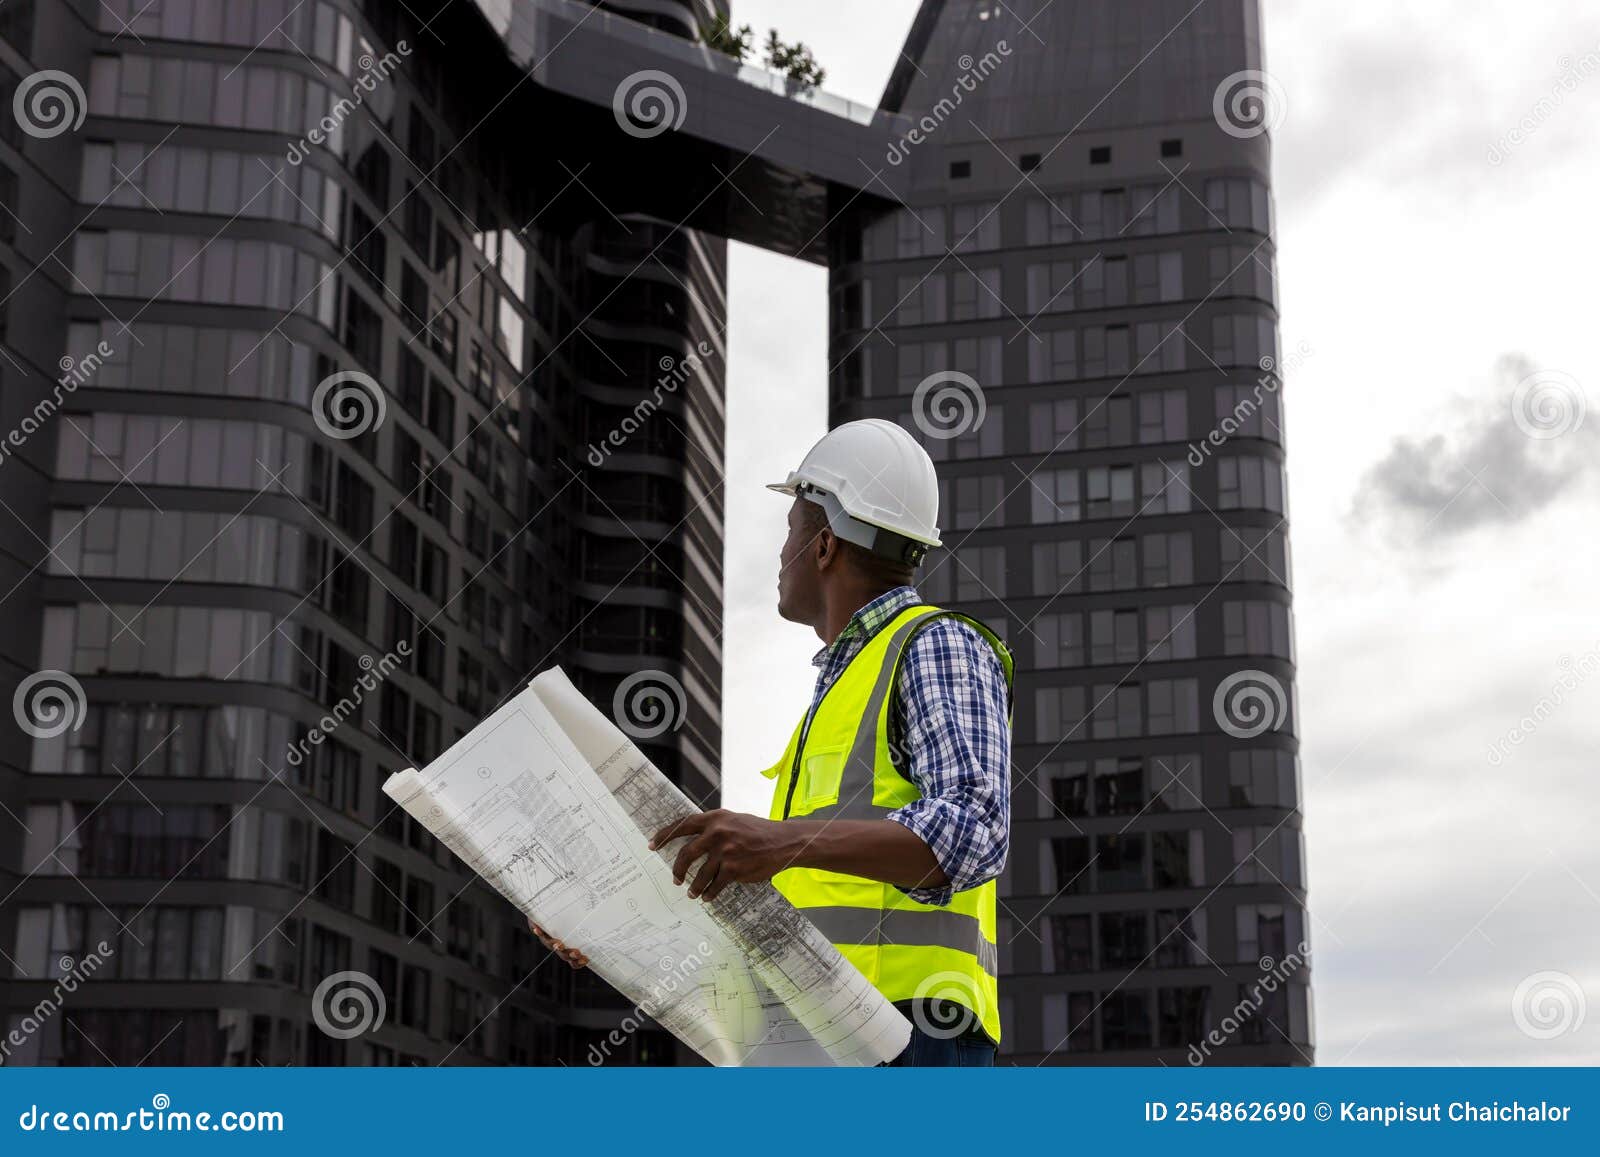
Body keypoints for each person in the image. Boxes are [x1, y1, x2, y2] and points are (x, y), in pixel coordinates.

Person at [532, 418, 1013, 1066]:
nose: (780, 553)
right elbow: (795, 913)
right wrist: (613, 932)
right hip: (818, 1043)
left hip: (908, 1042)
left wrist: (784, 839)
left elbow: (975, 828)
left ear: (823, 546)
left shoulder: (935, 643)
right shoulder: (842, 692)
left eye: (789, 531)